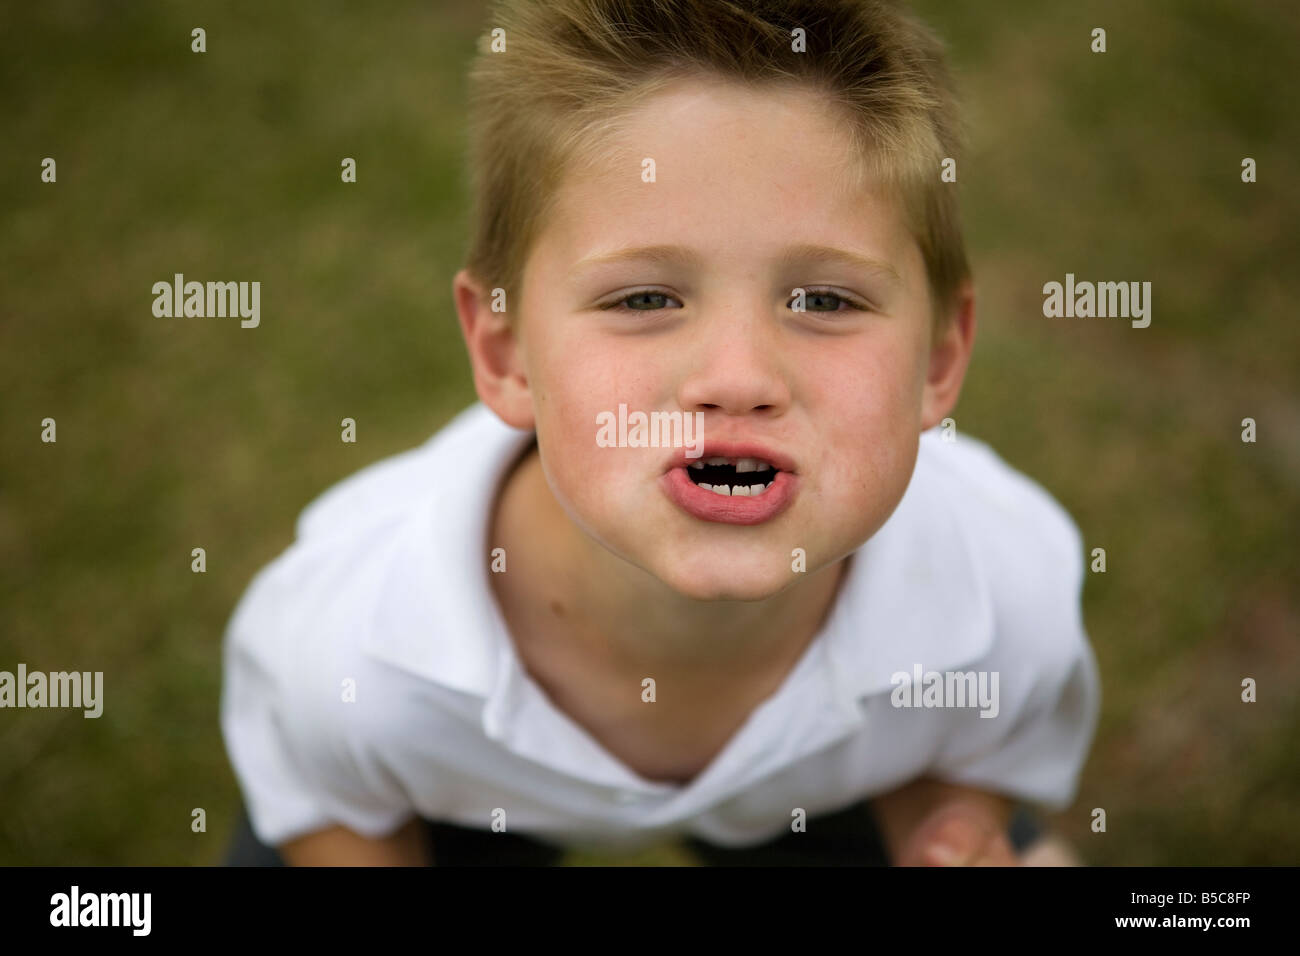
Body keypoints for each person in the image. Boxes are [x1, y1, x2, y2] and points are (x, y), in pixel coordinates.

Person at [220, 0, 1100, 866]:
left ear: (938, 359)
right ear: (507, 353)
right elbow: (323, 791)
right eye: (645, 299)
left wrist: (947, 829)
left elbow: (975, 743)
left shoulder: (1002, 600)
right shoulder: (357, 652)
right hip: (467, 793)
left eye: (825, 300)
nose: (740, 378)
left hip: (822, 784)